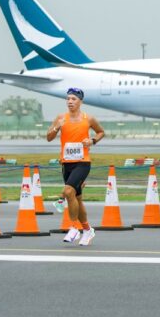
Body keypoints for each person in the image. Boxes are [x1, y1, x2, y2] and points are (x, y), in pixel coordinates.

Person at [46, 87, 105, 246]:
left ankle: (73, 227)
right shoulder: (60, 117)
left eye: (73, 99)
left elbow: (101, 132)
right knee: (76, 199)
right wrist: (57, 127)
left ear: (80, 102)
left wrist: (92, 141)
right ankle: (87, 230)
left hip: (83, 162)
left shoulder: (88, 118)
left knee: (67, 191)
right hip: (67, 163)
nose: (70, 102)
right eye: (68, 99)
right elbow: (49, 137)